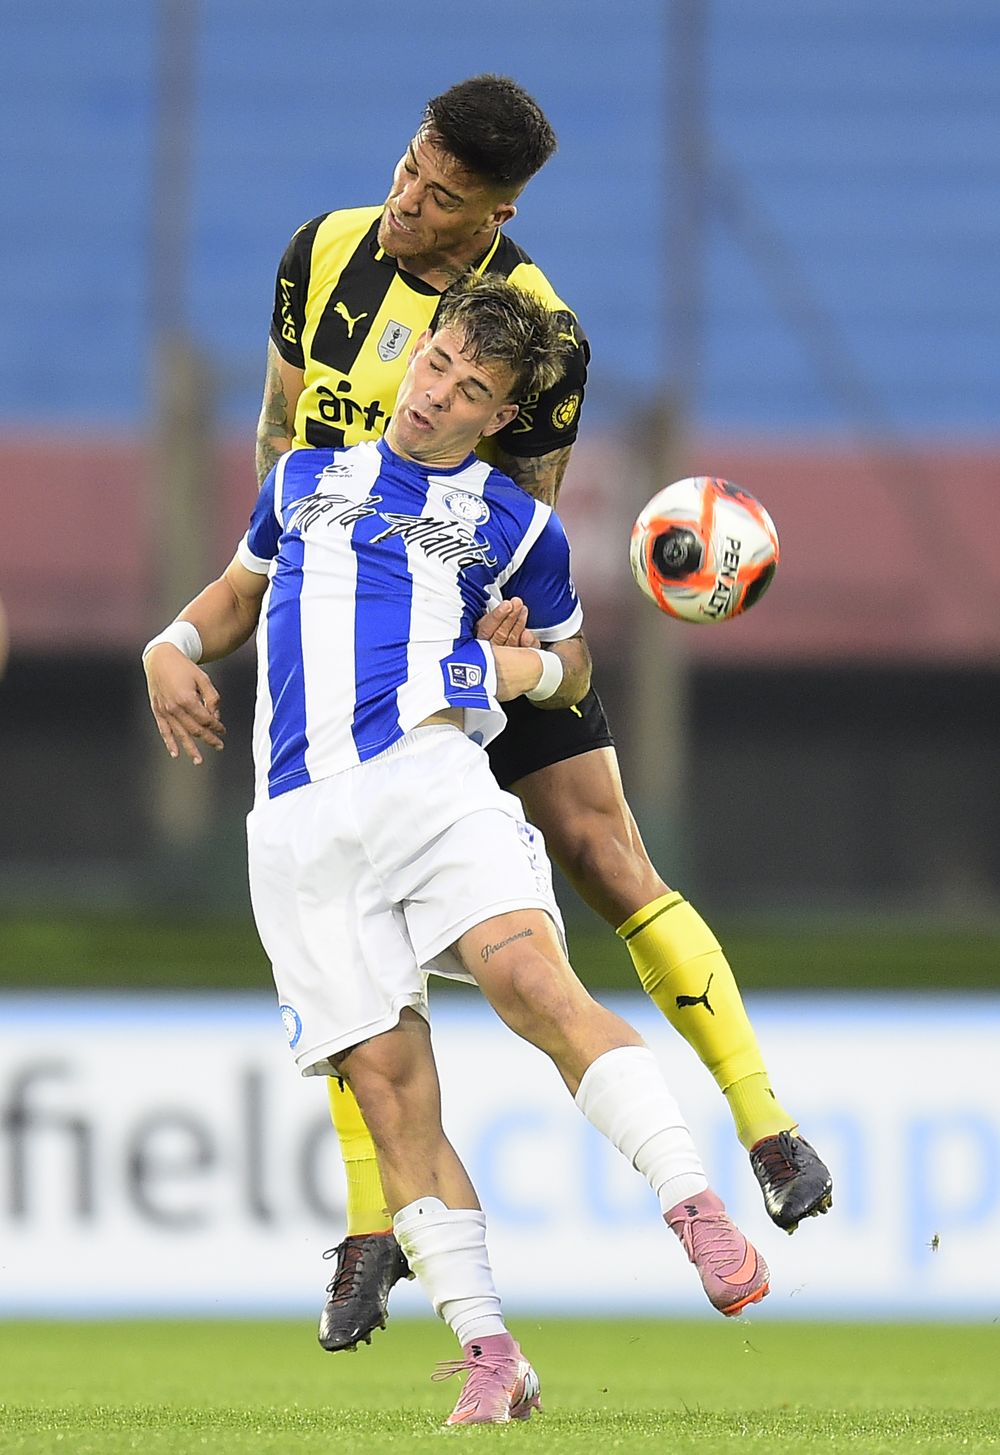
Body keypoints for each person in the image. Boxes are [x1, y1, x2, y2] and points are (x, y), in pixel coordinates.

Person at [256, 73, 831, 1353]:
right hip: (340, 612)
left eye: (440, 197)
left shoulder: (538, 333)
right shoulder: (323, 252)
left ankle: (764, 1126)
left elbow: (525, 512)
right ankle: (370, 1230)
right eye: (408, 168)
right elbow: (280, 430)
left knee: (602, 852)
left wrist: (507, 648)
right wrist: (300, 582)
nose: (407, 200)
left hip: (478, 629)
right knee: (345, 931)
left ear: (496, 214)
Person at [144, 277, 770, 1424]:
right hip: (293, 823)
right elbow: (237, 596)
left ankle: (692, 1205)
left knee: (531, 980)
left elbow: (572, 669)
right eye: (434, 367)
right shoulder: (298, 479)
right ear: (418, 352)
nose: (433, 397)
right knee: (389, 1095)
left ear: (496, 417)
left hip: (430, 779)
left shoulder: (513, 525)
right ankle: (492, 1356)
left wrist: (507, 669)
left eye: (468, 391)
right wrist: (172, 643)